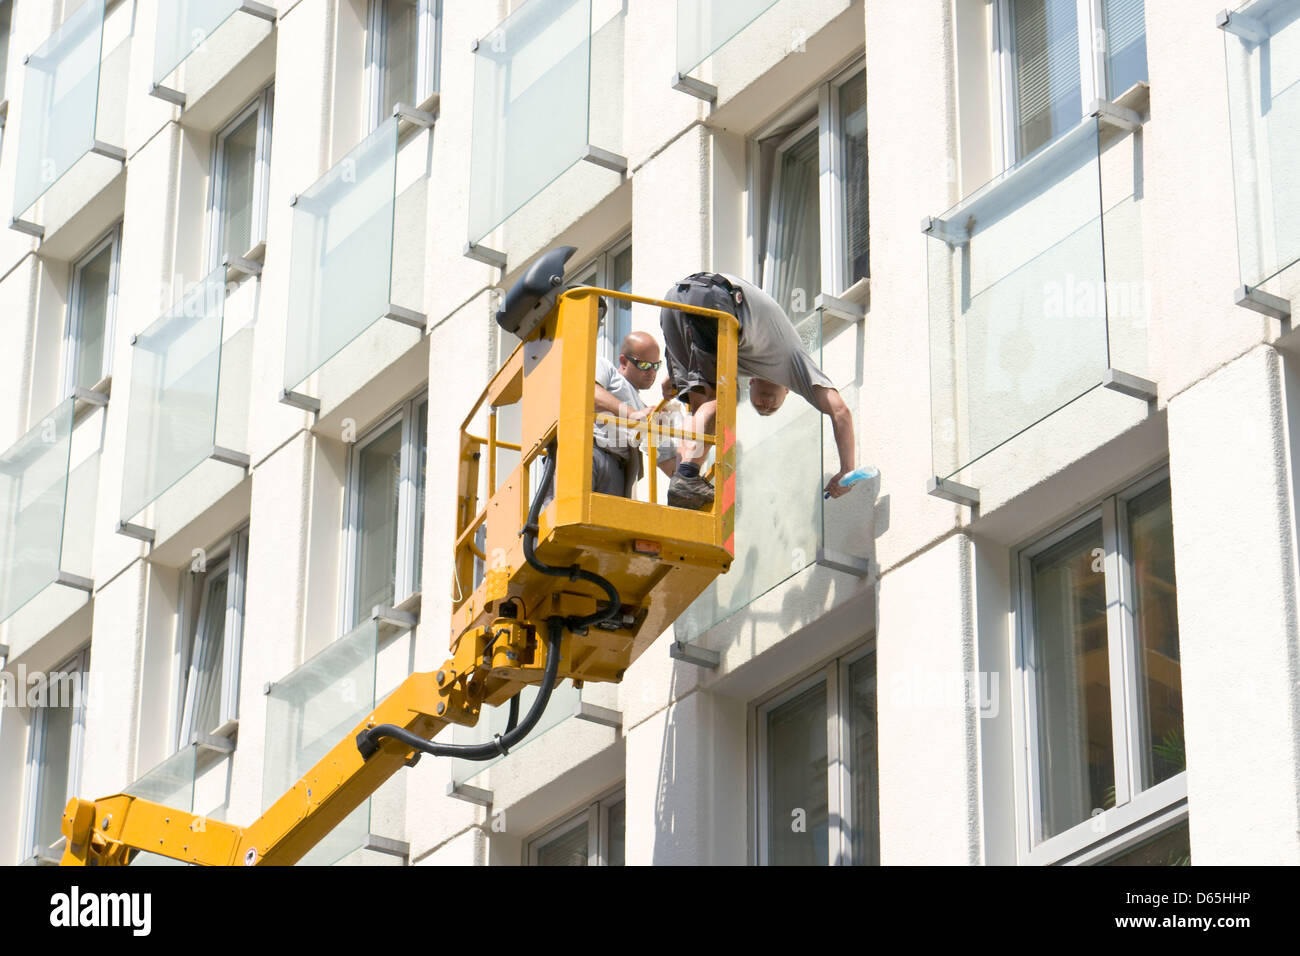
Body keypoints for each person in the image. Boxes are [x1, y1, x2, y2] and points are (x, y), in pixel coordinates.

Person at [659, 272, 858, 509]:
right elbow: (840, 411)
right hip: (715, 298)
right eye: (771, 405)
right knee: (722, 398)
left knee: (699, 404)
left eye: (766, 409)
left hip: (674, 302)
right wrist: (847, 469)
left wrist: (672, 381)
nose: (766, 405)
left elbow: (667, 383)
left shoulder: (748, 354)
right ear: (787, 390)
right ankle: (687, 475)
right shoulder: (796, 361)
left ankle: (683, 483)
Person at [589, 331, 678, 496]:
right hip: (590, 452)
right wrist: (633, 414)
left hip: (619, 470)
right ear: (623, 361)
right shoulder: (605, 369)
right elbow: (590, 393)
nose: (651, 373)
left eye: (656, 366)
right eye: (644, 365)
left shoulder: (643, 409)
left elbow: (666, 459)